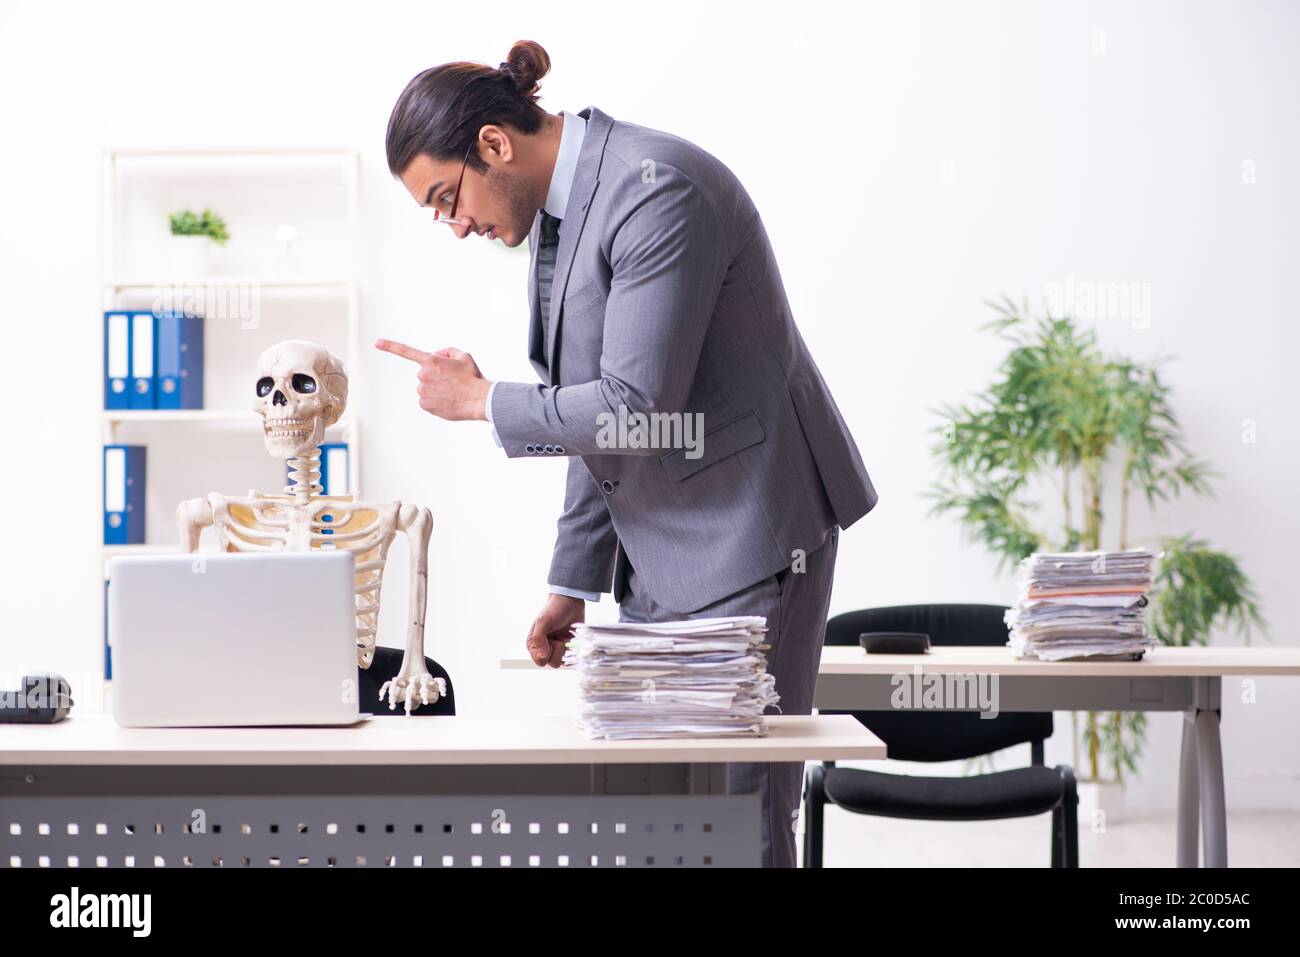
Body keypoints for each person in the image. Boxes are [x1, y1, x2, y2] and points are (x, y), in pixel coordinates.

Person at [376, 39, 878, 868]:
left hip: (750, 536)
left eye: (444, 197)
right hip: (658, 559)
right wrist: (572, 581)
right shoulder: (559, 212)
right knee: (657, 819)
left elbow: (633, 408)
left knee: (742, 816)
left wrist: (481, 400)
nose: (454, 226)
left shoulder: (657, 191)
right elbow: (591, 416)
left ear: (493, 145)